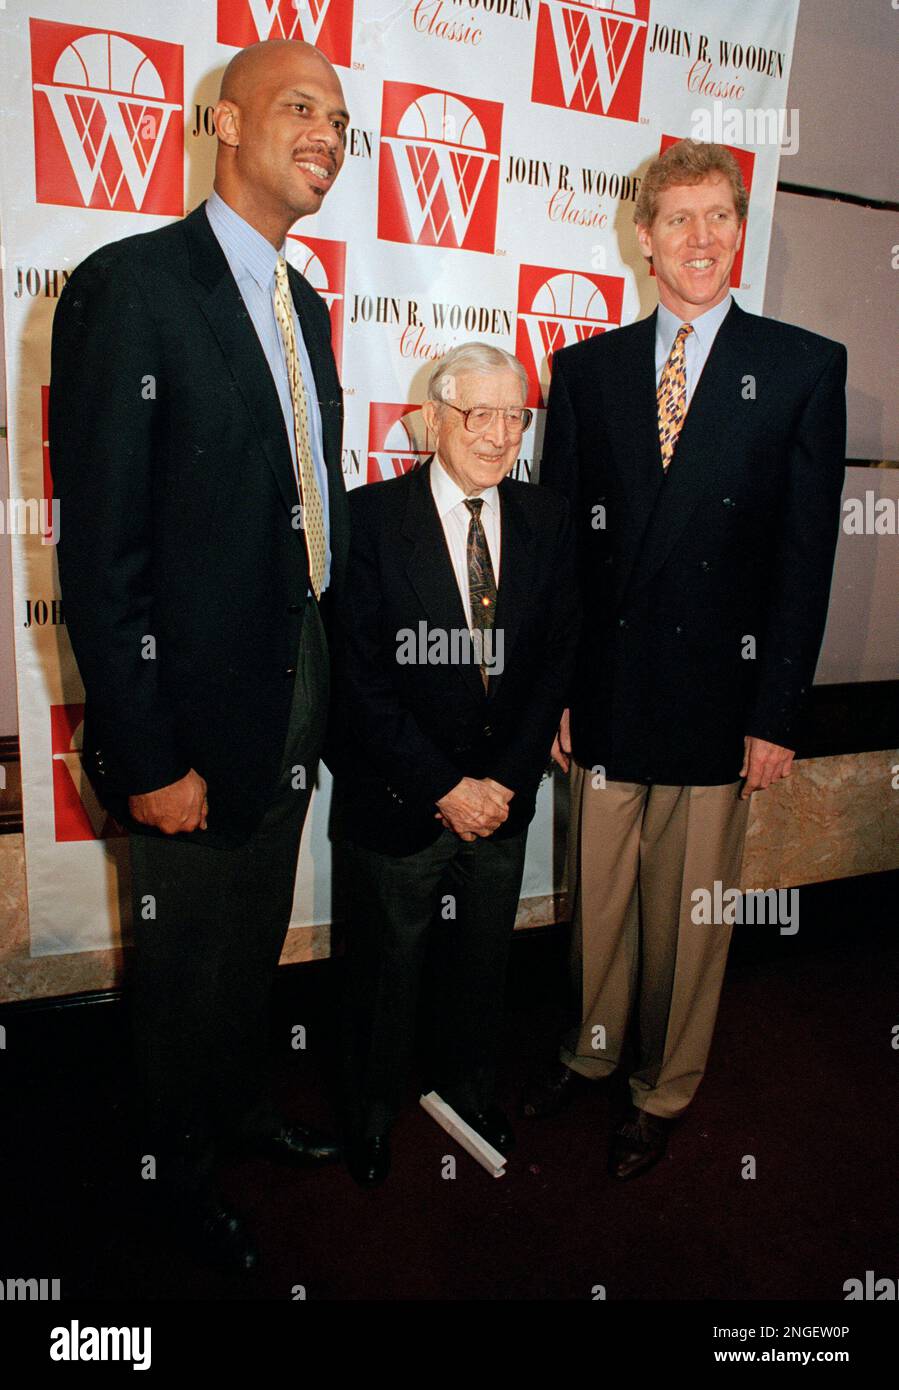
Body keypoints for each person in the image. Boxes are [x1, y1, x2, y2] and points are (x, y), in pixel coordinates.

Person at [49, 40, 351, 1269]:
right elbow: (101, 554)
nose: (328, 131)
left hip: (298, 683)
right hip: (185, 714)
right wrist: (147, 751)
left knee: (250, 938)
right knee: (178, 967)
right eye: (299, 106)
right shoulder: (131, 286)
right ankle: (162, 1191)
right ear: (222, 122)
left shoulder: (306, 302)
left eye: (341, 118)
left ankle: (232, 1109)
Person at [526, 140, 847, 1179]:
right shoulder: (584, 371)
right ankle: (589, 1052)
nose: (698, 238)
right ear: (642, 238)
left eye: (717, 217)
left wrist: (777, 711)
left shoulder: (802, 366)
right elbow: (561, 552)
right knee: (599, 900)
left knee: (690, 911)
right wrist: (559, 692)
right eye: (677, 219)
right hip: (609, 698)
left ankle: (660, 1087)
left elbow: (804, 558)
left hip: (721, 699)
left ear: (738, 232)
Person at [333, 343, 579, 1185]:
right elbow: (357, 681)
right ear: (433, 418)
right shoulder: (364, 519)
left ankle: (469, 1089)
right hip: (399, 799)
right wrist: (443, 786)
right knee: (381, 972)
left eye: (514, 416)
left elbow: (553, 664)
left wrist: (503, 783)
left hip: (503, 800)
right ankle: (367, 1114)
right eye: (479, 414)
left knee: (482, 964)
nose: (500, 434)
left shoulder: (548, 519)